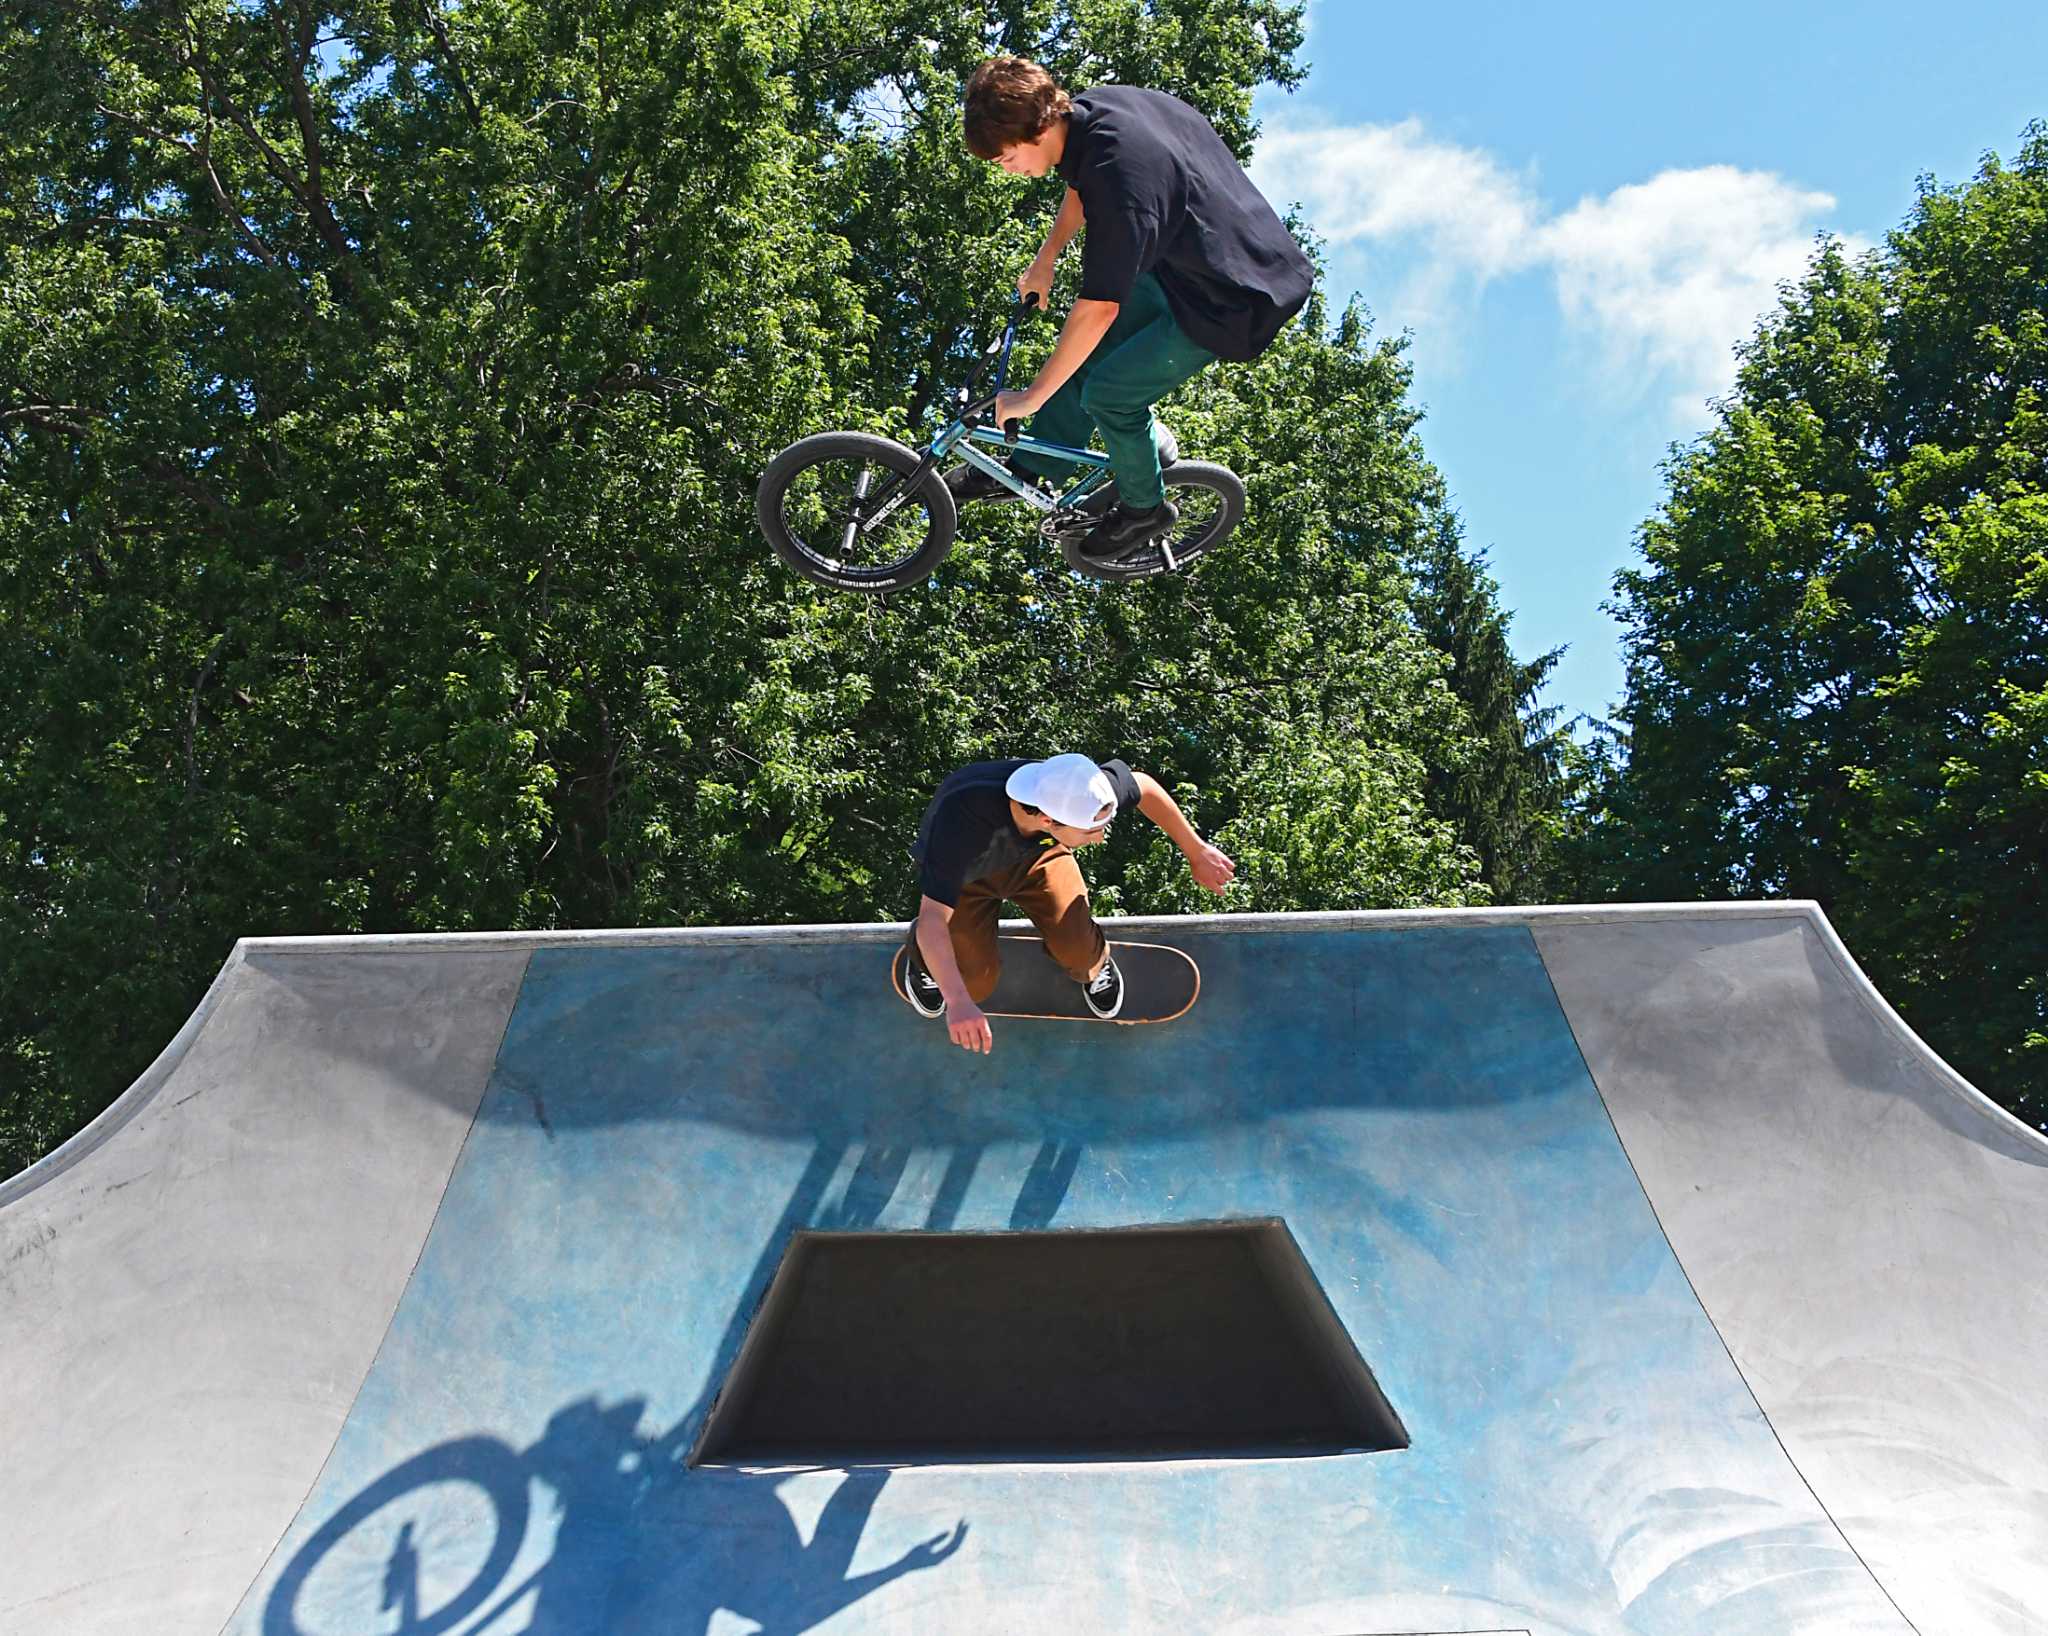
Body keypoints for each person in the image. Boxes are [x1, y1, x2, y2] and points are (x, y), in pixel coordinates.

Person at [952, 57, 1314, 557]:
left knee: (1109, 393)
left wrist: (1032, 397)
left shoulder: (1122, 182)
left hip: (1233, 297)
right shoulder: (1091, 112)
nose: (1008, 171)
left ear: (1034, 132)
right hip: (1186, 264)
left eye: (1005, 160)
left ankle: (1146, 510)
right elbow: (1080, 185)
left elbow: (1098, 309)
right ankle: (1034, 467)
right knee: (1080, 361)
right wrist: (1046, 259)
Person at [901, 753, 1234, 1052]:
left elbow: (1143, 786)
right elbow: (933, 918)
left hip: (1039, 856)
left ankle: (1096, 964)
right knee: (972, 983)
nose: (1100, 837)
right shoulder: (962, 821)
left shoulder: (1078, 787)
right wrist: (958, 1001)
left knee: (1077, 948)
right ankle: (925, 964)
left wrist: (1196, 850)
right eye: (1091, 831)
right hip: (968, 876)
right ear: (1048, 820)